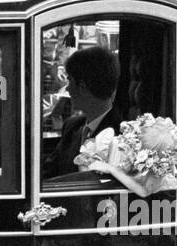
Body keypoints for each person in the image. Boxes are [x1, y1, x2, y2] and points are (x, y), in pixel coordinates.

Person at [44, 45, 120, 180]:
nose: (67, 88)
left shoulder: (122, 135)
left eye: (70, 81)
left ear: (83, 87)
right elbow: (49, 172)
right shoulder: (71, 126)